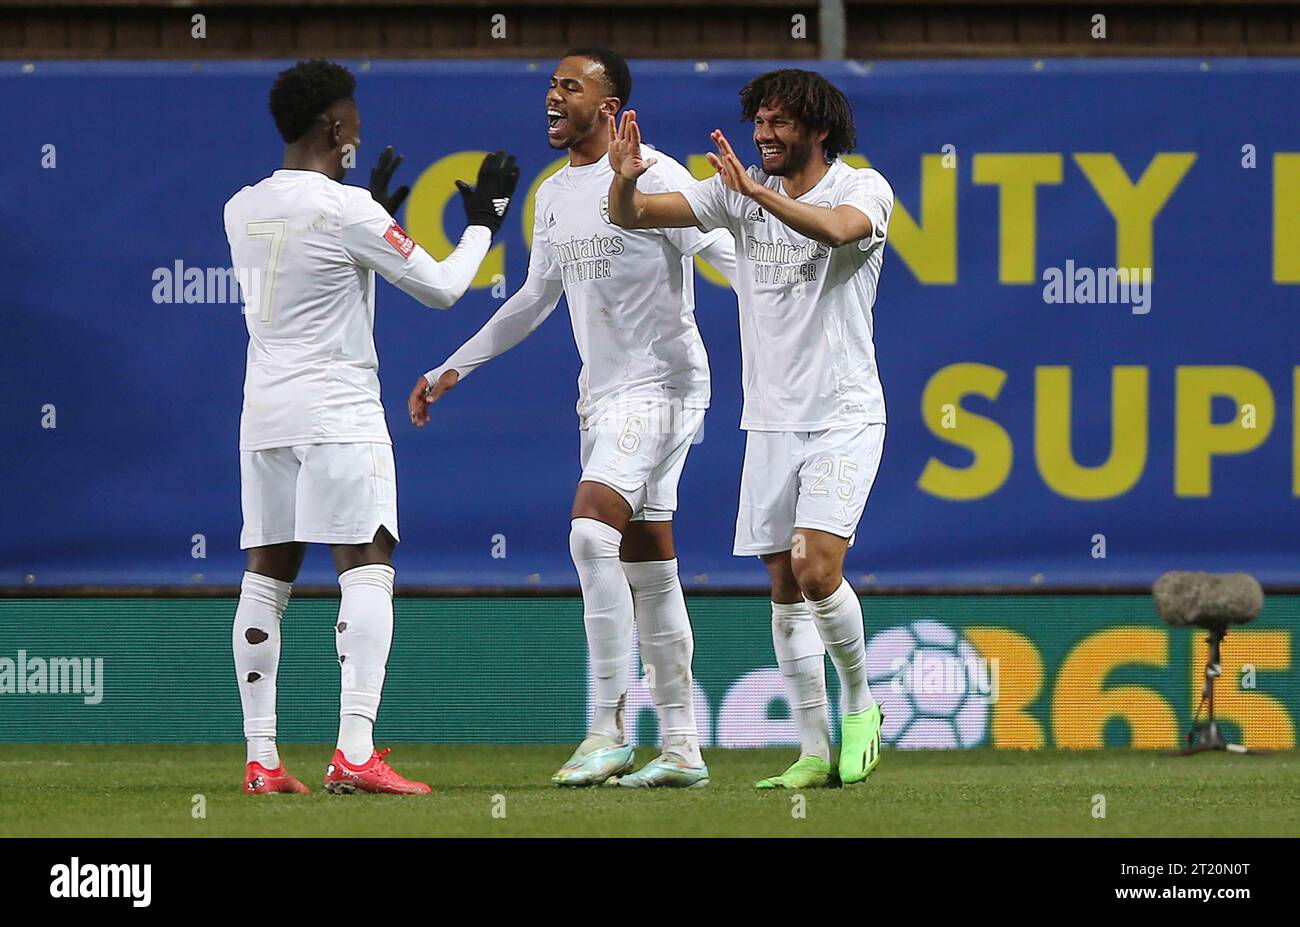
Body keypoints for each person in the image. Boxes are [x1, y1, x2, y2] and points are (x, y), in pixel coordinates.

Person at [409, 47, 736, 788]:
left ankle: (606, 728)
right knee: (648, 561)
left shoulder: (654, 173)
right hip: (605, 396)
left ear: (610, 104)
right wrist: (452, 365)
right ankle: (683, 746)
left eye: (570, 86)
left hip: (665, 385)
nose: (552, 96)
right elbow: (533, 298)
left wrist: (787, 311)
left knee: (591, 530)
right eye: (550, 86)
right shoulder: (552, 195)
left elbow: (719, 250)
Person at [224, 59, 519, 795]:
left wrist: (371, 215)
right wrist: (483, 224)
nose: (361, 130)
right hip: (337, 410)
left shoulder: (240, 206)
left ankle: (261, 759)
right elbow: (446, 288)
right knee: (367, 561)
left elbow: (318, 268)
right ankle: (354, 747)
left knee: (267, 577)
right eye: (353, 120)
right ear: (334, 127)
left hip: (264, 413)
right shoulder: (346, 209)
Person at [606, 68, 893, 789]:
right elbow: (633, 217)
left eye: (779, 123)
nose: (763, 134)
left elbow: (834, 231)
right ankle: (811, 748)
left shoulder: (862, 188)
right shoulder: (736, 192)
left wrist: (753, 195)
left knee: (816, 566)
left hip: (844, 414)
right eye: (758, 122)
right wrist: (622, 178)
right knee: (782, 584)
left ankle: (861, 701)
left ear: (819, 130)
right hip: (769, 421)